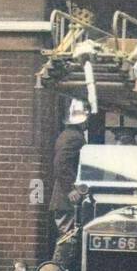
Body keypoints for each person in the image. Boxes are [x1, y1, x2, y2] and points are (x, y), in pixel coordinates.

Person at [49, 99, 88, 243]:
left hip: (65, 199)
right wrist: (70, 189)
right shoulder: (74, 137)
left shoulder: (68, 135)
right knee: (67, 241)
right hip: (67, 199)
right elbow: (60, 164)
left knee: (68, 239)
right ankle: (58, 265)